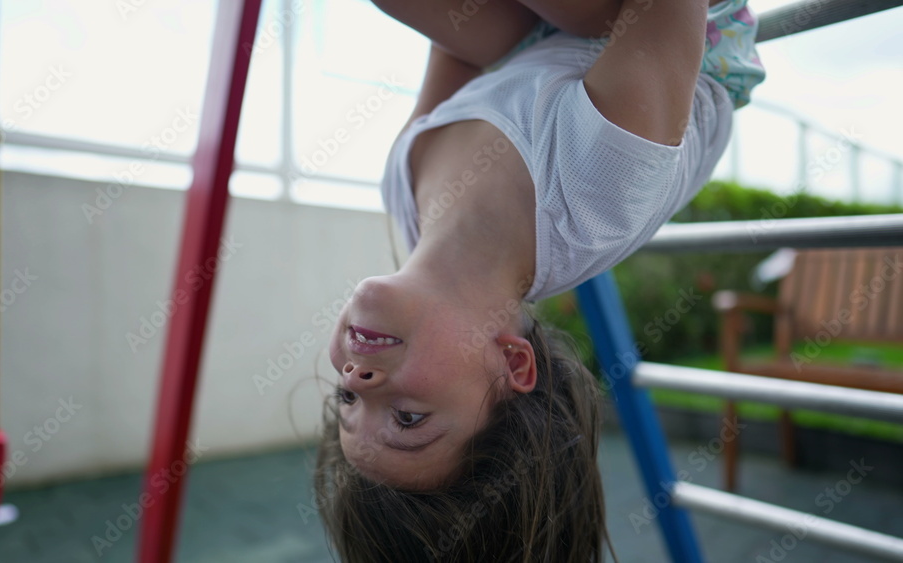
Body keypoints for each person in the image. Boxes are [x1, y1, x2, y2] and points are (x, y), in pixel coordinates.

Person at [315, 0, 765, 560]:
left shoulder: (404, 186)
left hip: (525, 44)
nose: (358, 379)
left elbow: (456, 47)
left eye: (347, 400)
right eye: (408, 419)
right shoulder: (592, 192)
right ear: (512, 365)